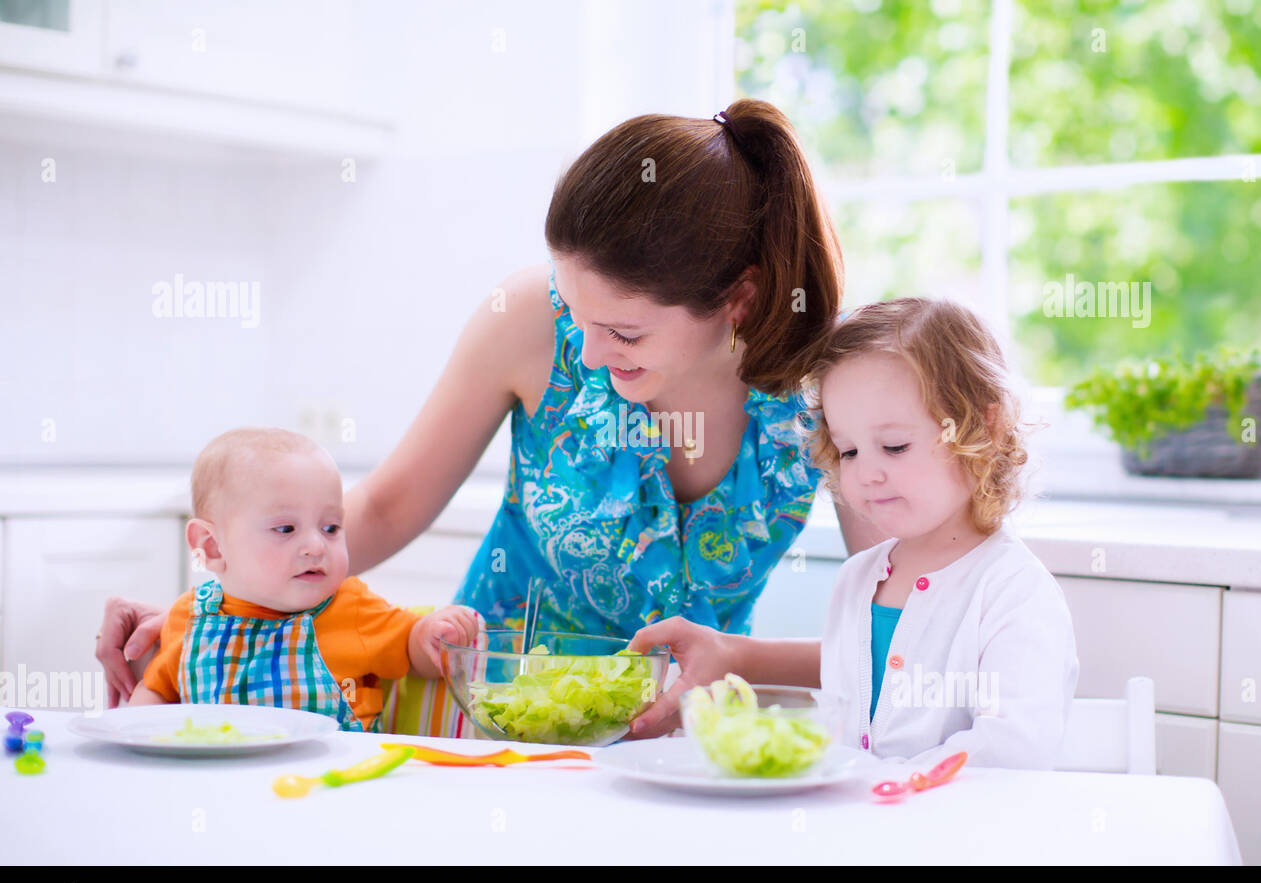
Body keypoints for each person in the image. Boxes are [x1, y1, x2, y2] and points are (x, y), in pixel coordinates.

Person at [96, 99, 883, 737]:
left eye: (627, 332)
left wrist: (741, 657)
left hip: (679, 745)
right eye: (578, 315)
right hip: (483, 722)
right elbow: (385, 508)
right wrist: (209, 608)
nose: (594, 351)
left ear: (738, 298)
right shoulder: (527, 322)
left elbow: (895, 620)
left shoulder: (835, 385)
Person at [636, 298, 1079, 768]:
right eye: (848, 451)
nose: (866, 472)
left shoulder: (1014, 591)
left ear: (981, 429)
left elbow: (1013, 748)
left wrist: (884, 787)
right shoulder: (857, 579)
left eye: (894, 446)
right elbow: (842, 731)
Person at [128, 427, 481, 732]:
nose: (316, 546)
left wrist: (429, 635)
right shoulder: (188, 617)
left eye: (330, 528)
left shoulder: (352, 607)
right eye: (285, 529)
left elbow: (408, 647)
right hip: (220, 783)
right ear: (212, 546)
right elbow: (158, 690)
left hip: (329, 786)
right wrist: (133, 733)